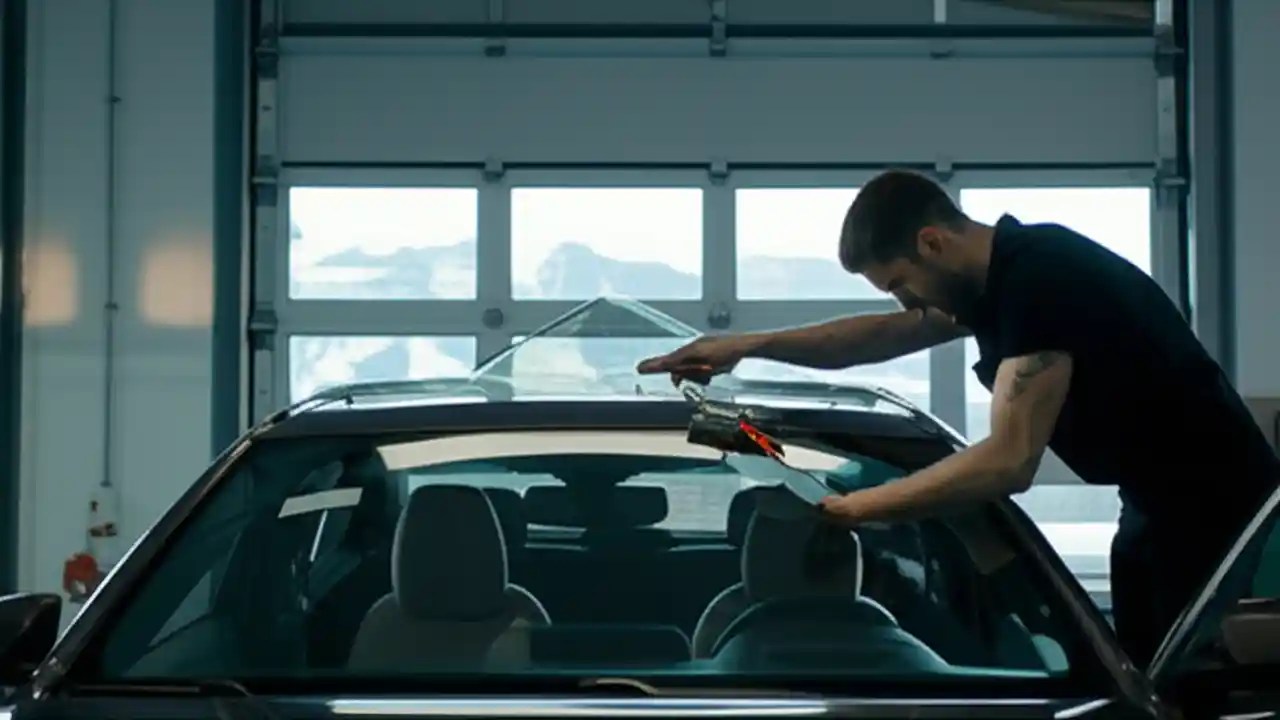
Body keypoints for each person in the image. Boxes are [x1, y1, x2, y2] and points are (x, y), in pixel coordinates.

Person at [637, 169, 1280, 669]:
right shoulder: (995, 282)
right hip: (1157, 506)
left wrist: (857, 509)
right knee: (1140, 668)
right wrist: (742, 346)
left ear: (931, 242)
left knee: (1171, 688)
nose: (905, 301)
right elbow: (872, 340)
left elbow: (1008, 461)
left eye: (899, 283)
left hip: (1221, 512)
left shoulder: (1039, 281)